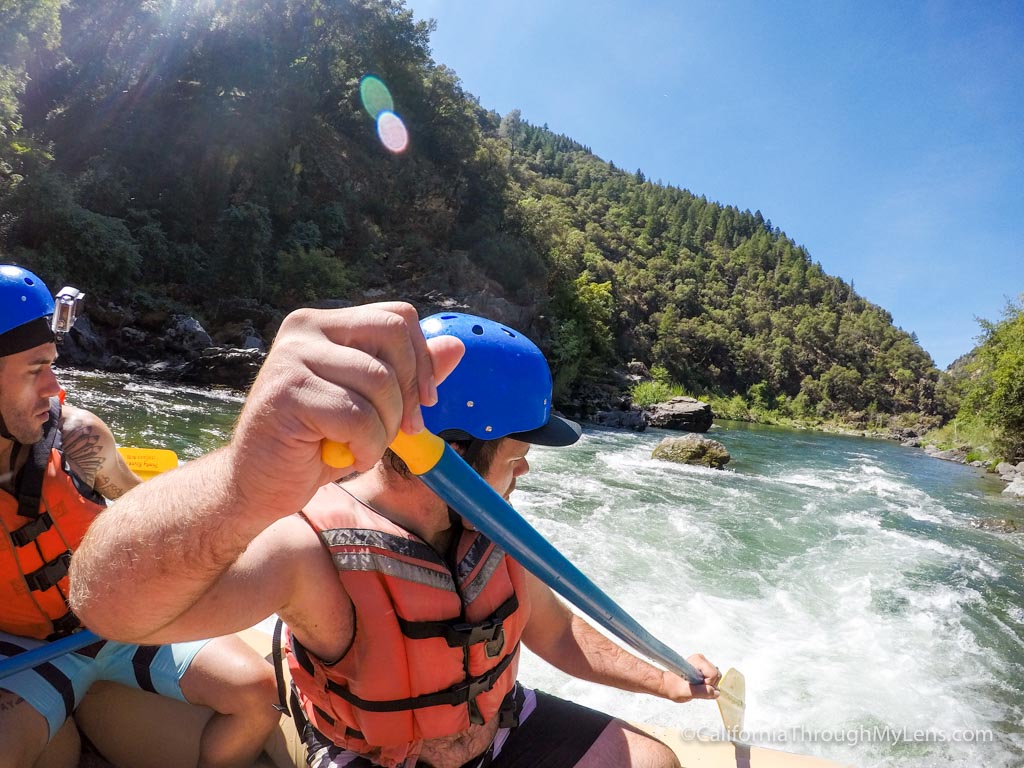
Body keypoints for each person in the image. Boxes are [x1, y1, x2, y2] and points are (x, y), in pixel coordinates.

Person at [70, 304, 722, 768]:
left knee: (651, 761)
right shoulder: (308, 550)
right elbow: (106, 603)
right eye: (516, 461)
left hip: (492, 729)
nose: (524, 475)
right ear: (456, 460)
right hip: (377, 755)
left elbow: (555, 631)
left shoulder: (494, 533)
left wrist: (665, 679)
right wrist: (243, 484)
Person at [0, 264, 281, 768]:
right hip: (24, 648)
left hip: (122, 623)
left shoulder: (77, 435)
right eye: (33, 369)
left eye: (53, 364)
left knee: (257, 694)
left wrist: (110, 468)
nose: (53, 386)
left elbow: (144, 520)